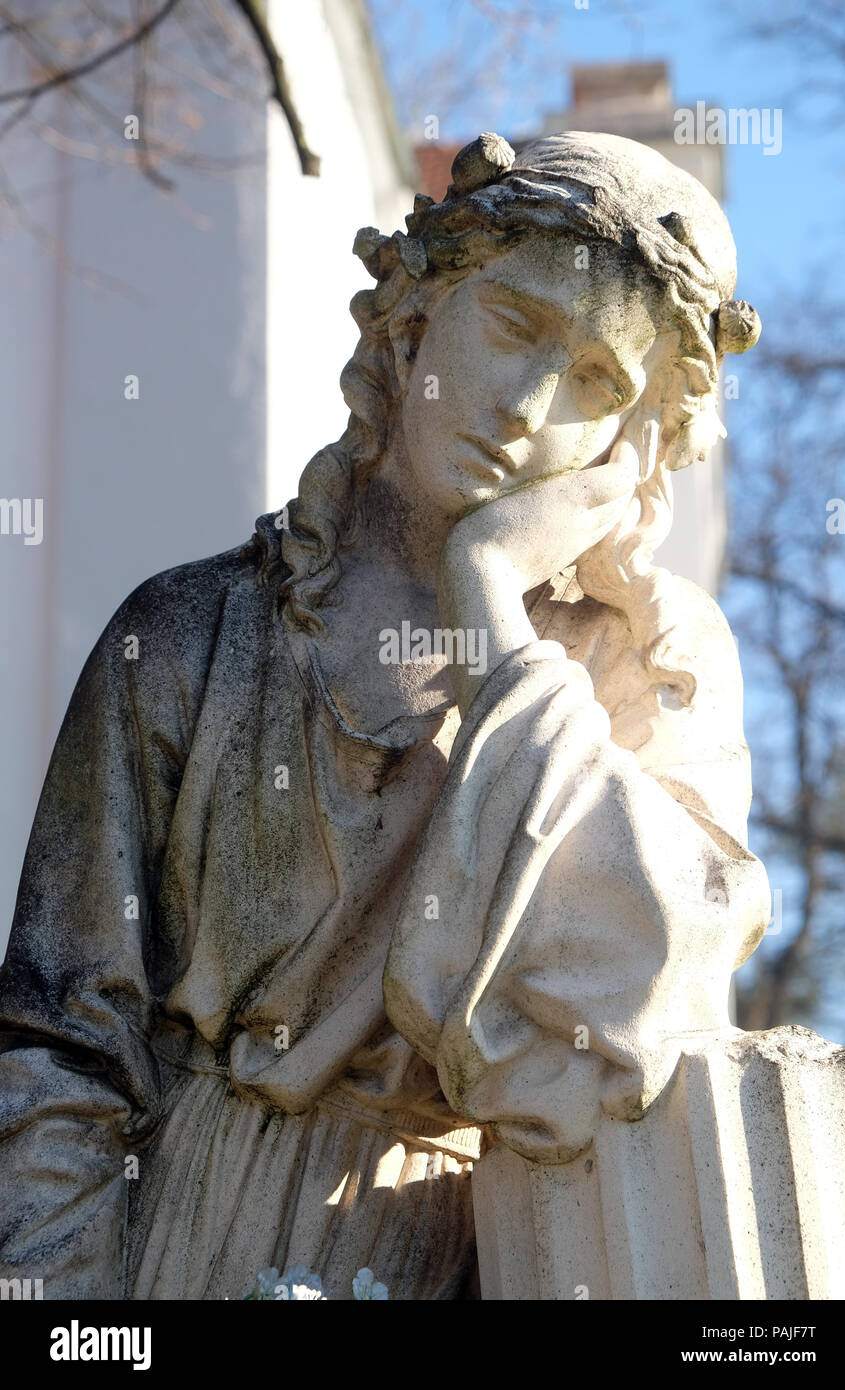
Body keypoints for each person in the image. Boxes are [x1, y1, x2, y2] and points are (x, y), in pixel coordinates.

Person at [0, 131, 769, 1300]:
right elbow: (59, 1046)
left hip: (470, 1254)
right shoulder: (194, 632)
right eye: (510, 326)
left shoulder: (644, 664)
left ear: (637, 445)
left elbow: (627, 1028)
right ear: (415, 312)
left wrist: (494, 606)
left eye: (598, 383)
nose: (524, 405)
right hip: (172, 1249)